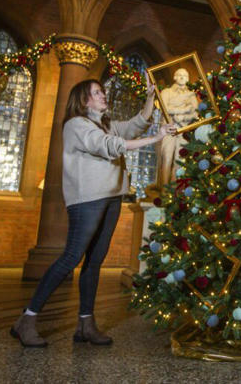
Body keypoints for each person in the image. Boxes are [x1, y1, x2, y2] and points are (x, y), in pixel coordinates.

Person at [11, 78, 176, 348]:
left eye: (102, 91)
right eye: (97, 93)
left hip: (111, 197)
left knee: (95, 260)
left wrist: (150, 98)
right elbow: (109, 146)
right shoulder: (76, 125)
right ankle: (27, 320)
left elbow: (135, 125)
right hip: (87, 200)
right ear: (84, 100)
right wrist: (157, 138)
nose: (103, 95)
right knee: (71, 257)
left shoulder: (106, 124)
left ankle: (86, 324)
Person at [156, 68, 199, 187]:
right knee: (167, 158)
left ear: (188, 79)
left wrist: (183, 118)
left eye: (184, 76)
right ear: (174, 77)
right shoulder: (166, 92)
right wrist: (184, 110)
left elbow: (195, 113)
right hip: (169, 129)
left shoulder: (191, 95)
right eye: (179, 75)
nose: (181, 77)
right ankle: (164, 190)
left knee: (179, 161)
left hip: (183, 130)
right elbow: (164, 108)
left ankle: (174, 190)